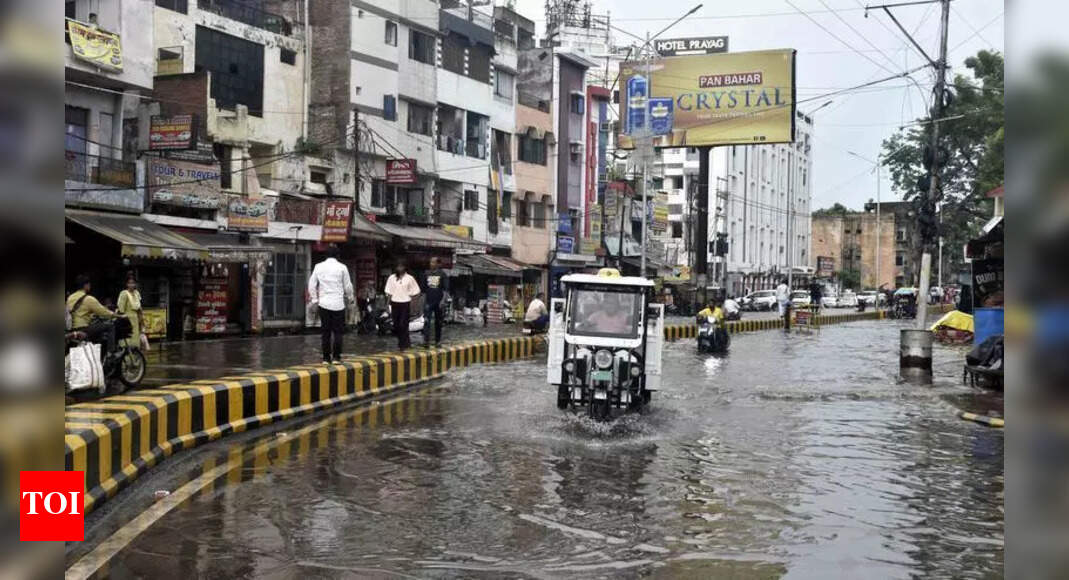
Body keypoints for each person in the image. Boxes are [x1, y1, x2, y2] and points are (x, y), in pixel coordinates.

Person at [308, 244, 354, 364]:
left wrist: (314, 300)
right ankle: (337, 358)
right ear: (338, 255)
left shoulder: (318, 266)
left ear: (326, 255)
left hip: (324, 304)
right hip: (338, 304)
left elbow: (312, 284)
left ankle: (325, 358)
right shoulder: (342, 267)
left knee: (325, 332)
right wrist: (350, 299)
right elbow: (348, 286)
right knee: (338, 332)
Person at [67, 274, 118, 350]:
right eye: (89, 284)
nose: (90, 286)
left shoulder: (70, 298)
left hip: (72, 329)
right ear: (86, 285)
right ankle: (111, 353)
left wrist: (91, 315)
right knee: (110, 326)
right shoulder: (88, 299)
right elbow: (103, 312)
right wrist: (117, 315)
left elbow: (79, 312)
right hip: (84, 328)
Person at [384, 262, 420, 350]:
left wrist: (413, 305)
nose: (399, 268)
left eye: (401, 266)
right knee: (396, 324)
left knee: (403, 324)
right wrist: (387, 305)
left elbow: (416, 292)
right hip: (394, 303)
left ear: (404, 267)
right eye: (397, 266)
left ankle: (404, 344)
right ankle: (403, 342)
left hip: (405, 303)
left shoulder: (410, 278)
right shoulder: (392, 278)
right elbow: (389, 292)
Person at [422, 257, 449, 347]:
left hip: (439, 301)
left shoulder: (442, 274)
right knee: (426, 321)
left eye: (433, 262)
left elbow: (445, 290)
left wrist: (443, 301)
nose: (431, 264)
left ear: (438, 264)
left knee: (438, 322)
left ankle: (438, 341)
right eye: (430, 262)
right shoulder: (426, 273)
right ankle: (426, 341)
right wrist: (423, 302)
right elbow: (424, 290)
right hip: (428, 301)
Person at [116, 272, 145, 349]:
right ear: (126, 284)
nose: (131, 285)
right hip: (127, 321)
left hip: (135, 321)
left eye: (133, 283)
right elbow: (121, 310)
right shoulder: (124, 294)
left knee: (135, 344)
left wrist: (142, 324)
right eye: (129, 283)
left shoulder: (137, 293)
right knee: (127, 344)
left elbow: (140, 309)